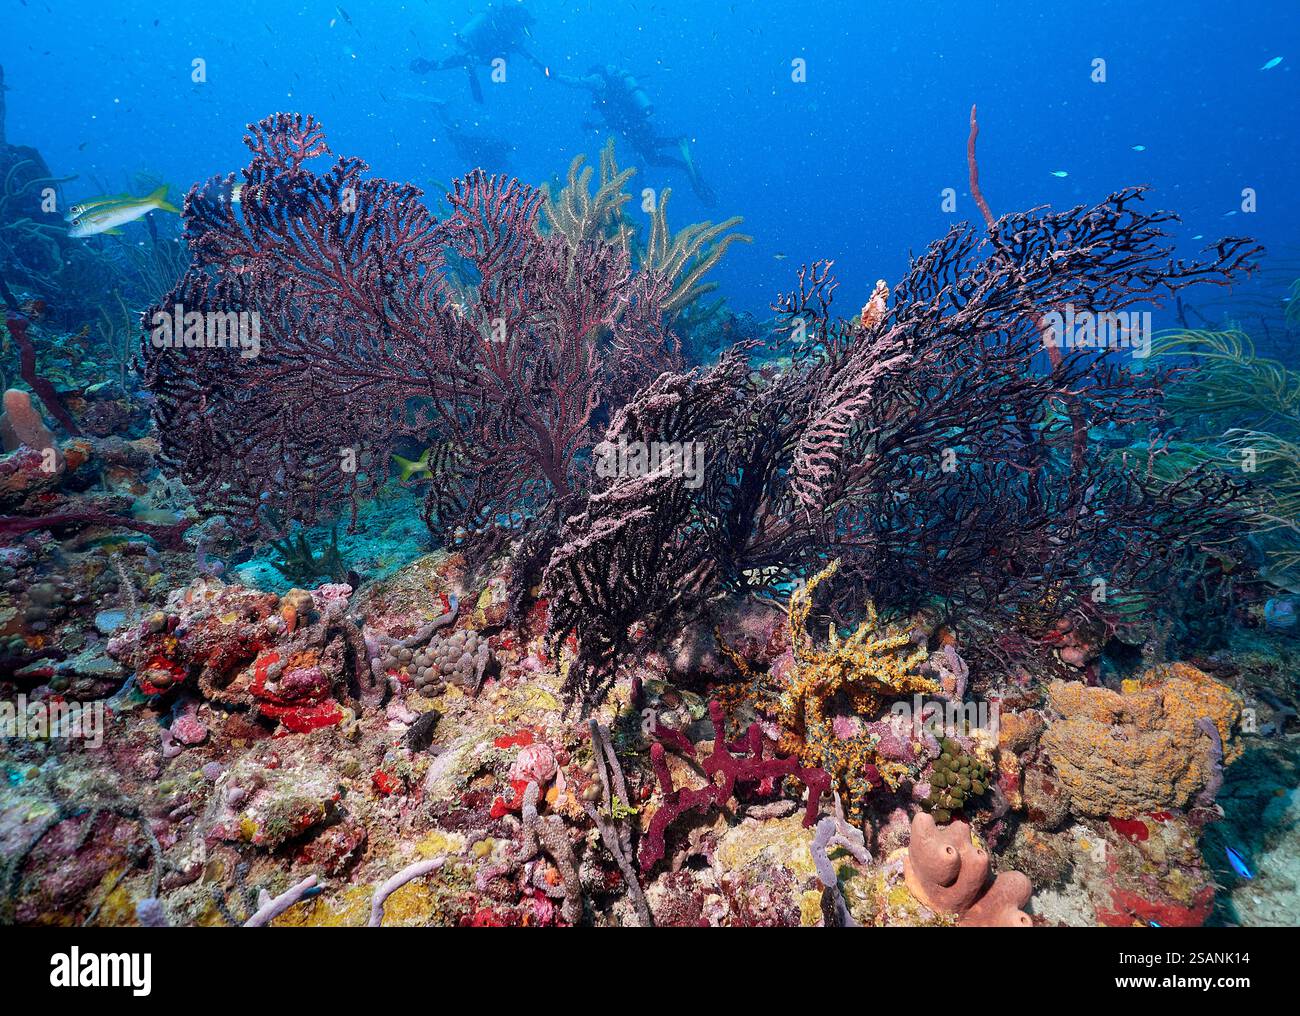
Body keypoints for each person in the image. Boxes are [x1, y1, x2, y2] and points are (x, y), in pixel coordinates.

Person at [551, 63, 716, 207]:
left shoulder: (597, 81)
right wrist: (594, 125)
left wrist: (553, 75)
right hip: (638, 125)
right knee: (650, 150)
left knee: (651, 156)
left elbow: (576, 83)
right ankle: (677, 147)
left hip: (635, 127)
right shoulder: (612, 92)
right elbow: (612, 121)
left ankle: (680, 152)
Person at [409, 3, 545, 104]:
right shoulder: (507, 27)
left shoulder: (500, 22)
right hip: (481, 48)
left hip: (475, 46)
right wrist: (544, 70)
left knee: (464, 58)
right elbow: (519, 50)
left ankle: (431, 65)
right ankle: (433, 65)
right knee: (471, 59)